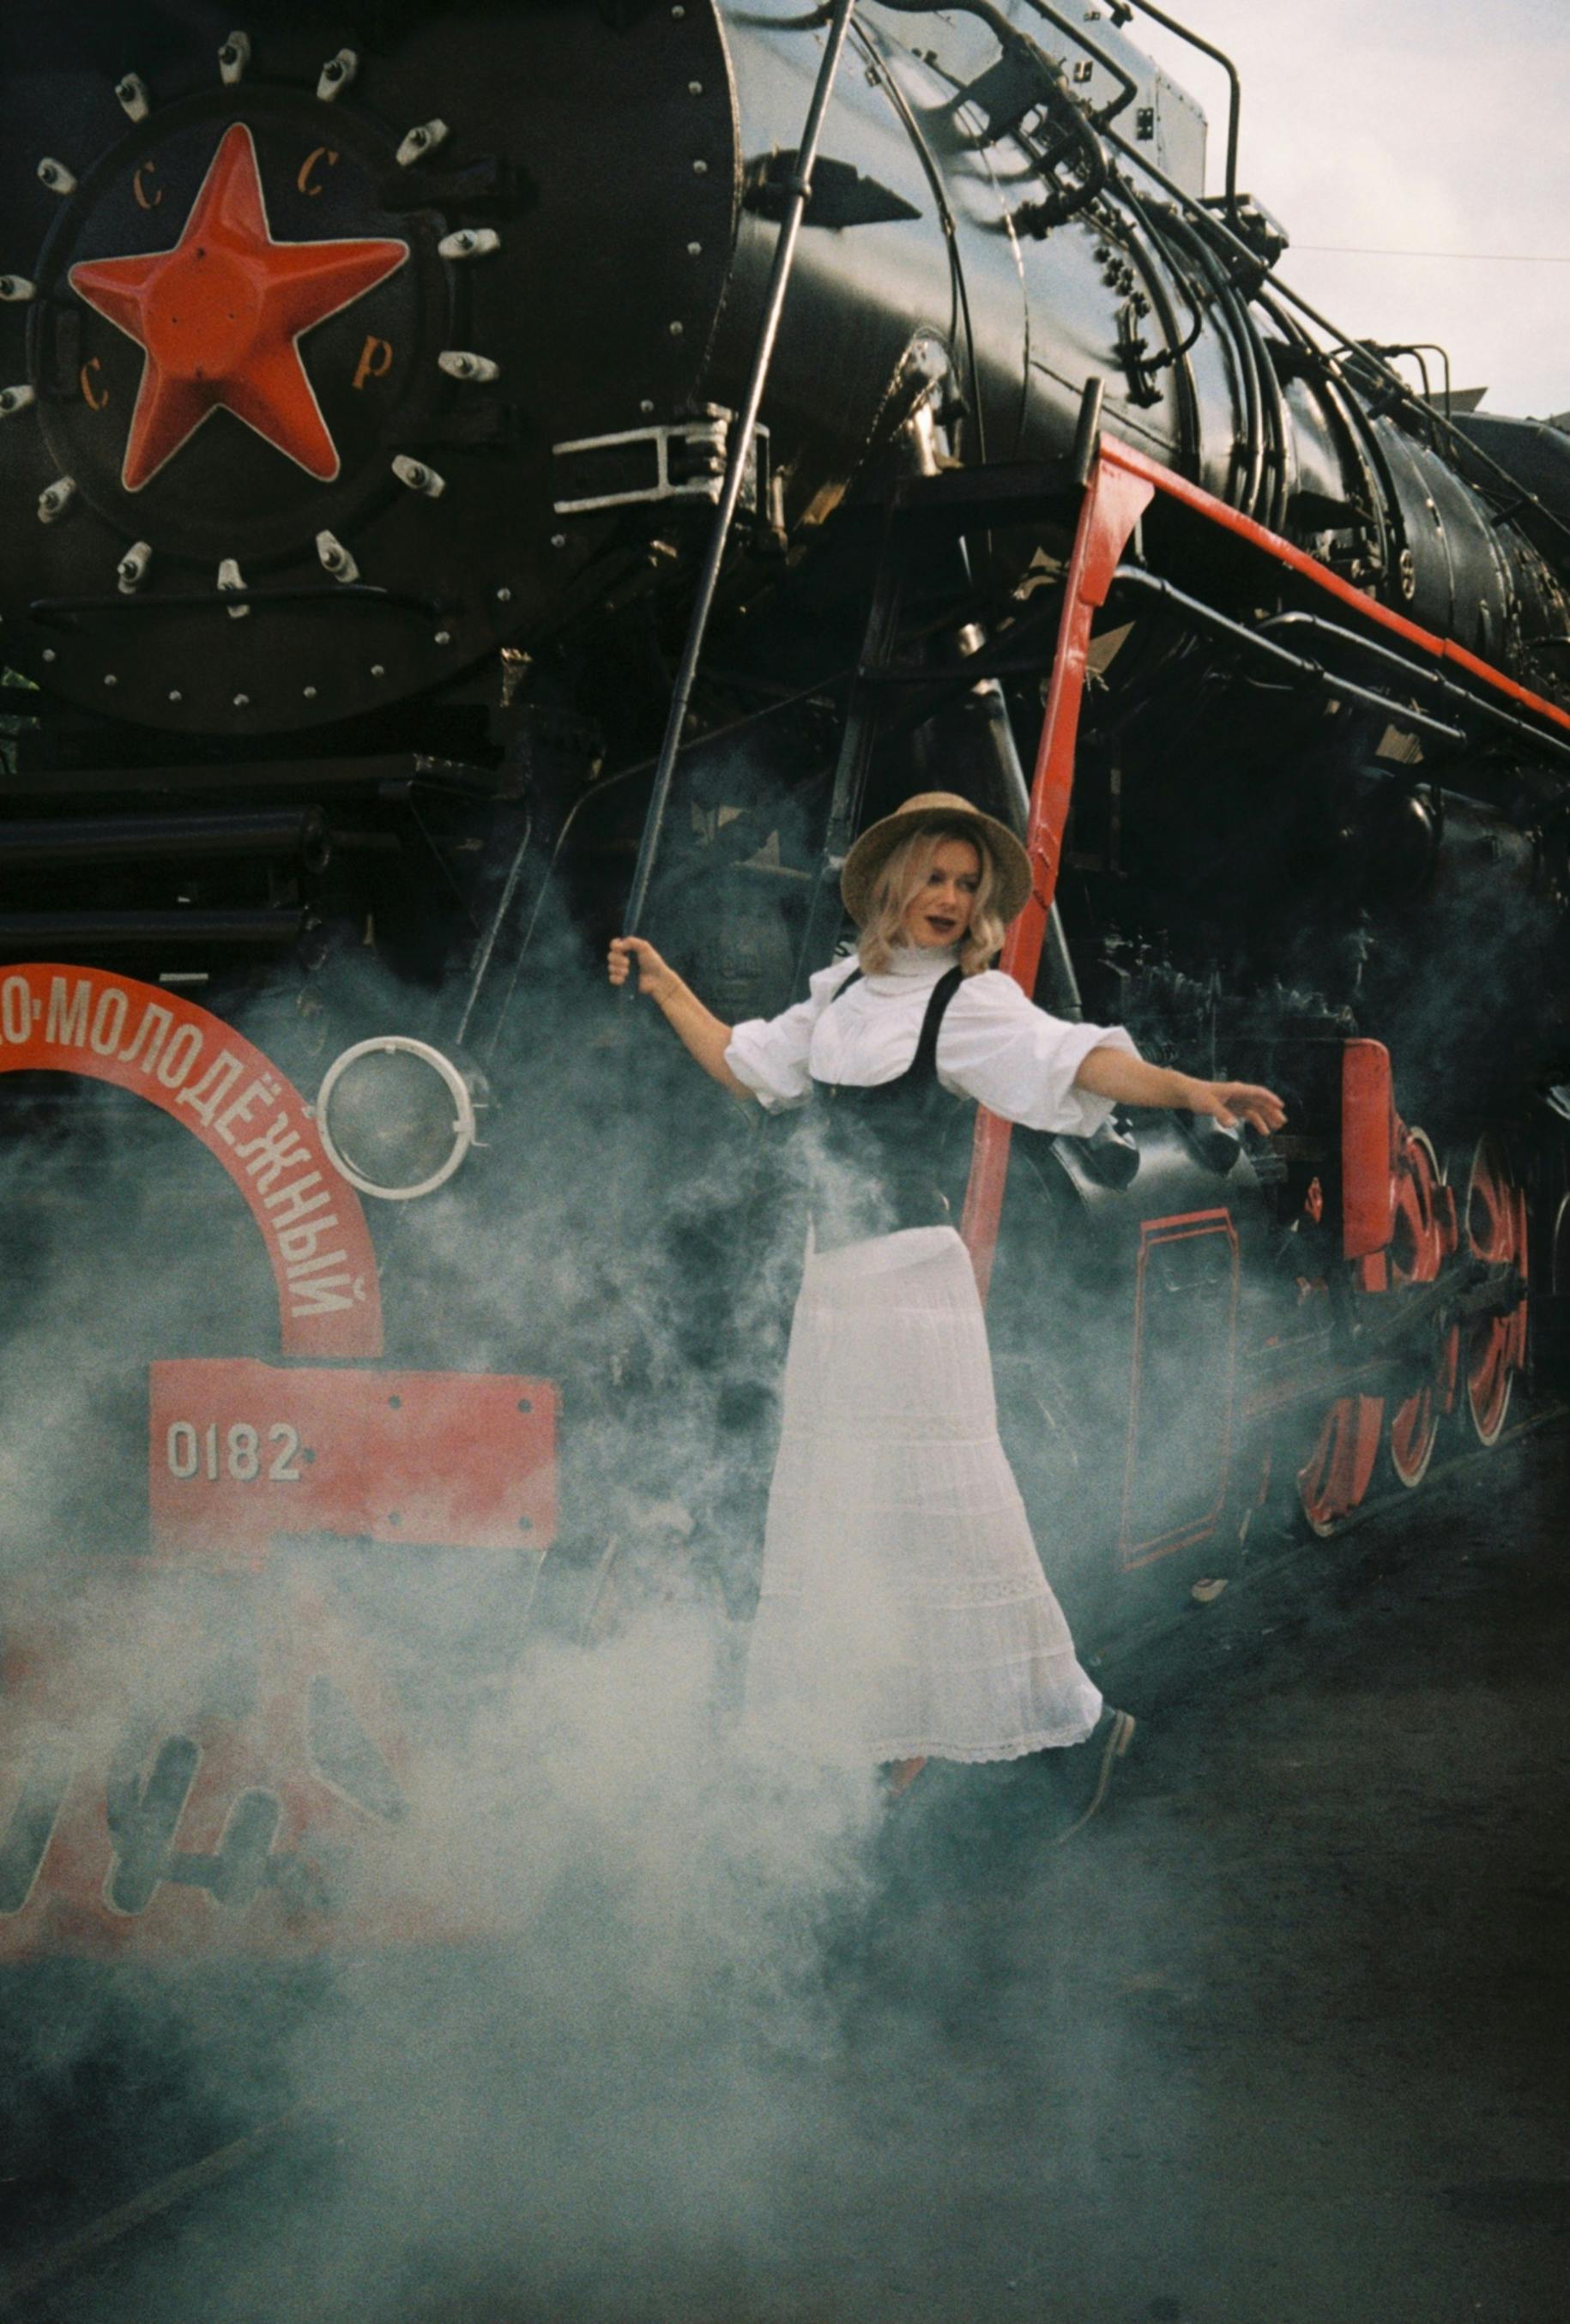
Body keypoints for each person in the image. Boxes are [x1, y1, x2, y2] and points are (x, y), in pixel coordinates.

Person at [609, 790, 1285, 1834]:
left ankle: (1080, 1729)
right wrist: (664, 988)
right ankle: (870, 1744)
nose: (951, 897)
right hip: (833, 1293)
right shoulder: (836, 996)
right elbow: (744, 1067)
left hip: (911, 1291)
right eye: (934, 876)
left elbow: (1077, 1059)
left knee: (963, 1519)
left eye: (968, 884)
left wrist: (1192, 1089)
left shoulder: (970, 1006)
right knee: (846, 1516)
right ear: (890, 884)